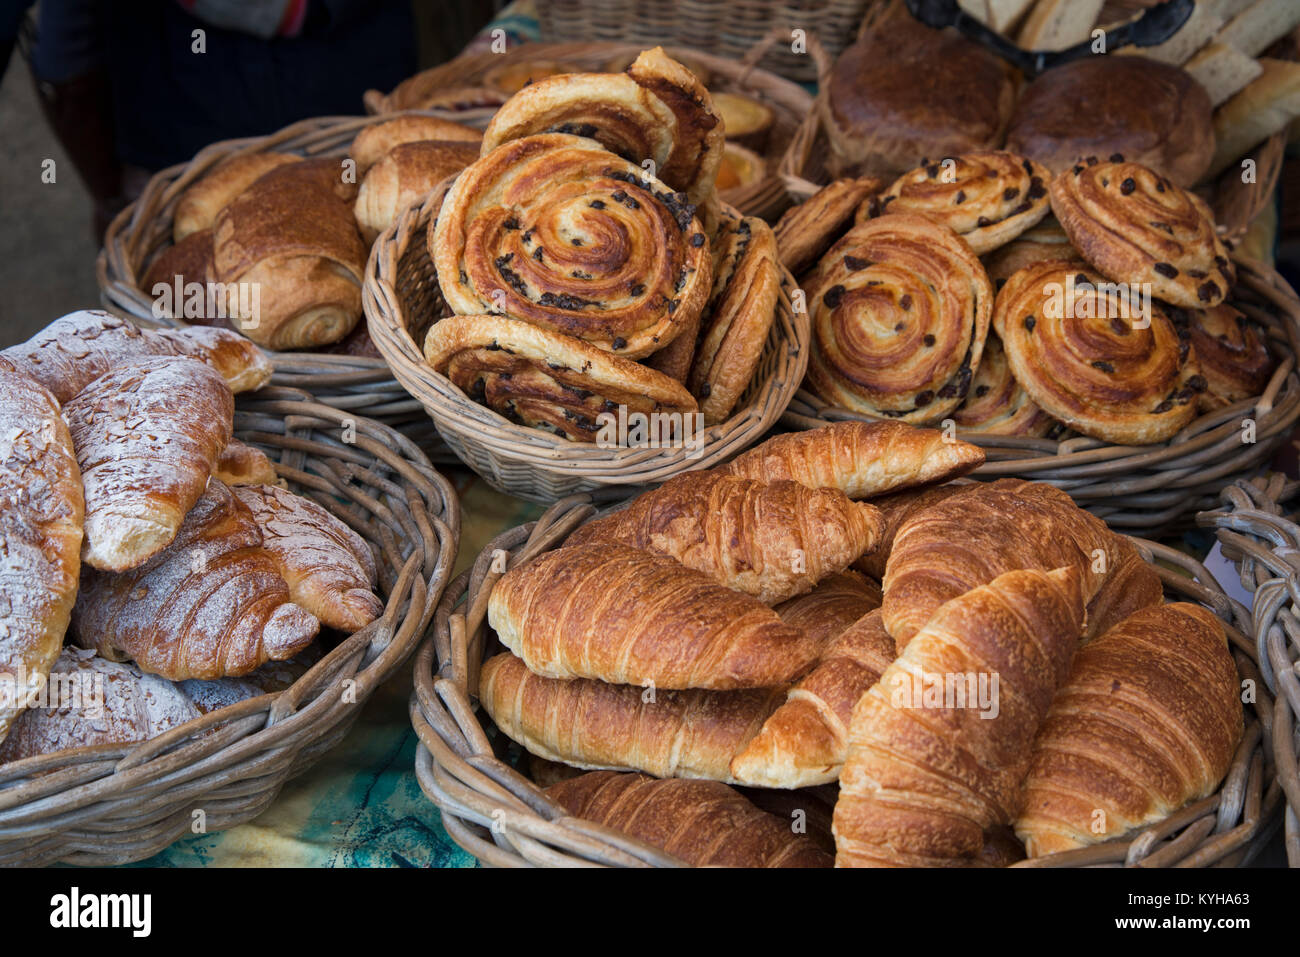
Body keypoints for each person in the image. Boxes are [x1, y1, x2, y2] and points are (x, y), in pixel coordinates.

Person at [1, 0, 418, 234]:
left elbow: (64, 58)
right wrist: (109, 190)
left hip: (348, 96)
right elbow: (64, 51)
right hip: (182, 128)